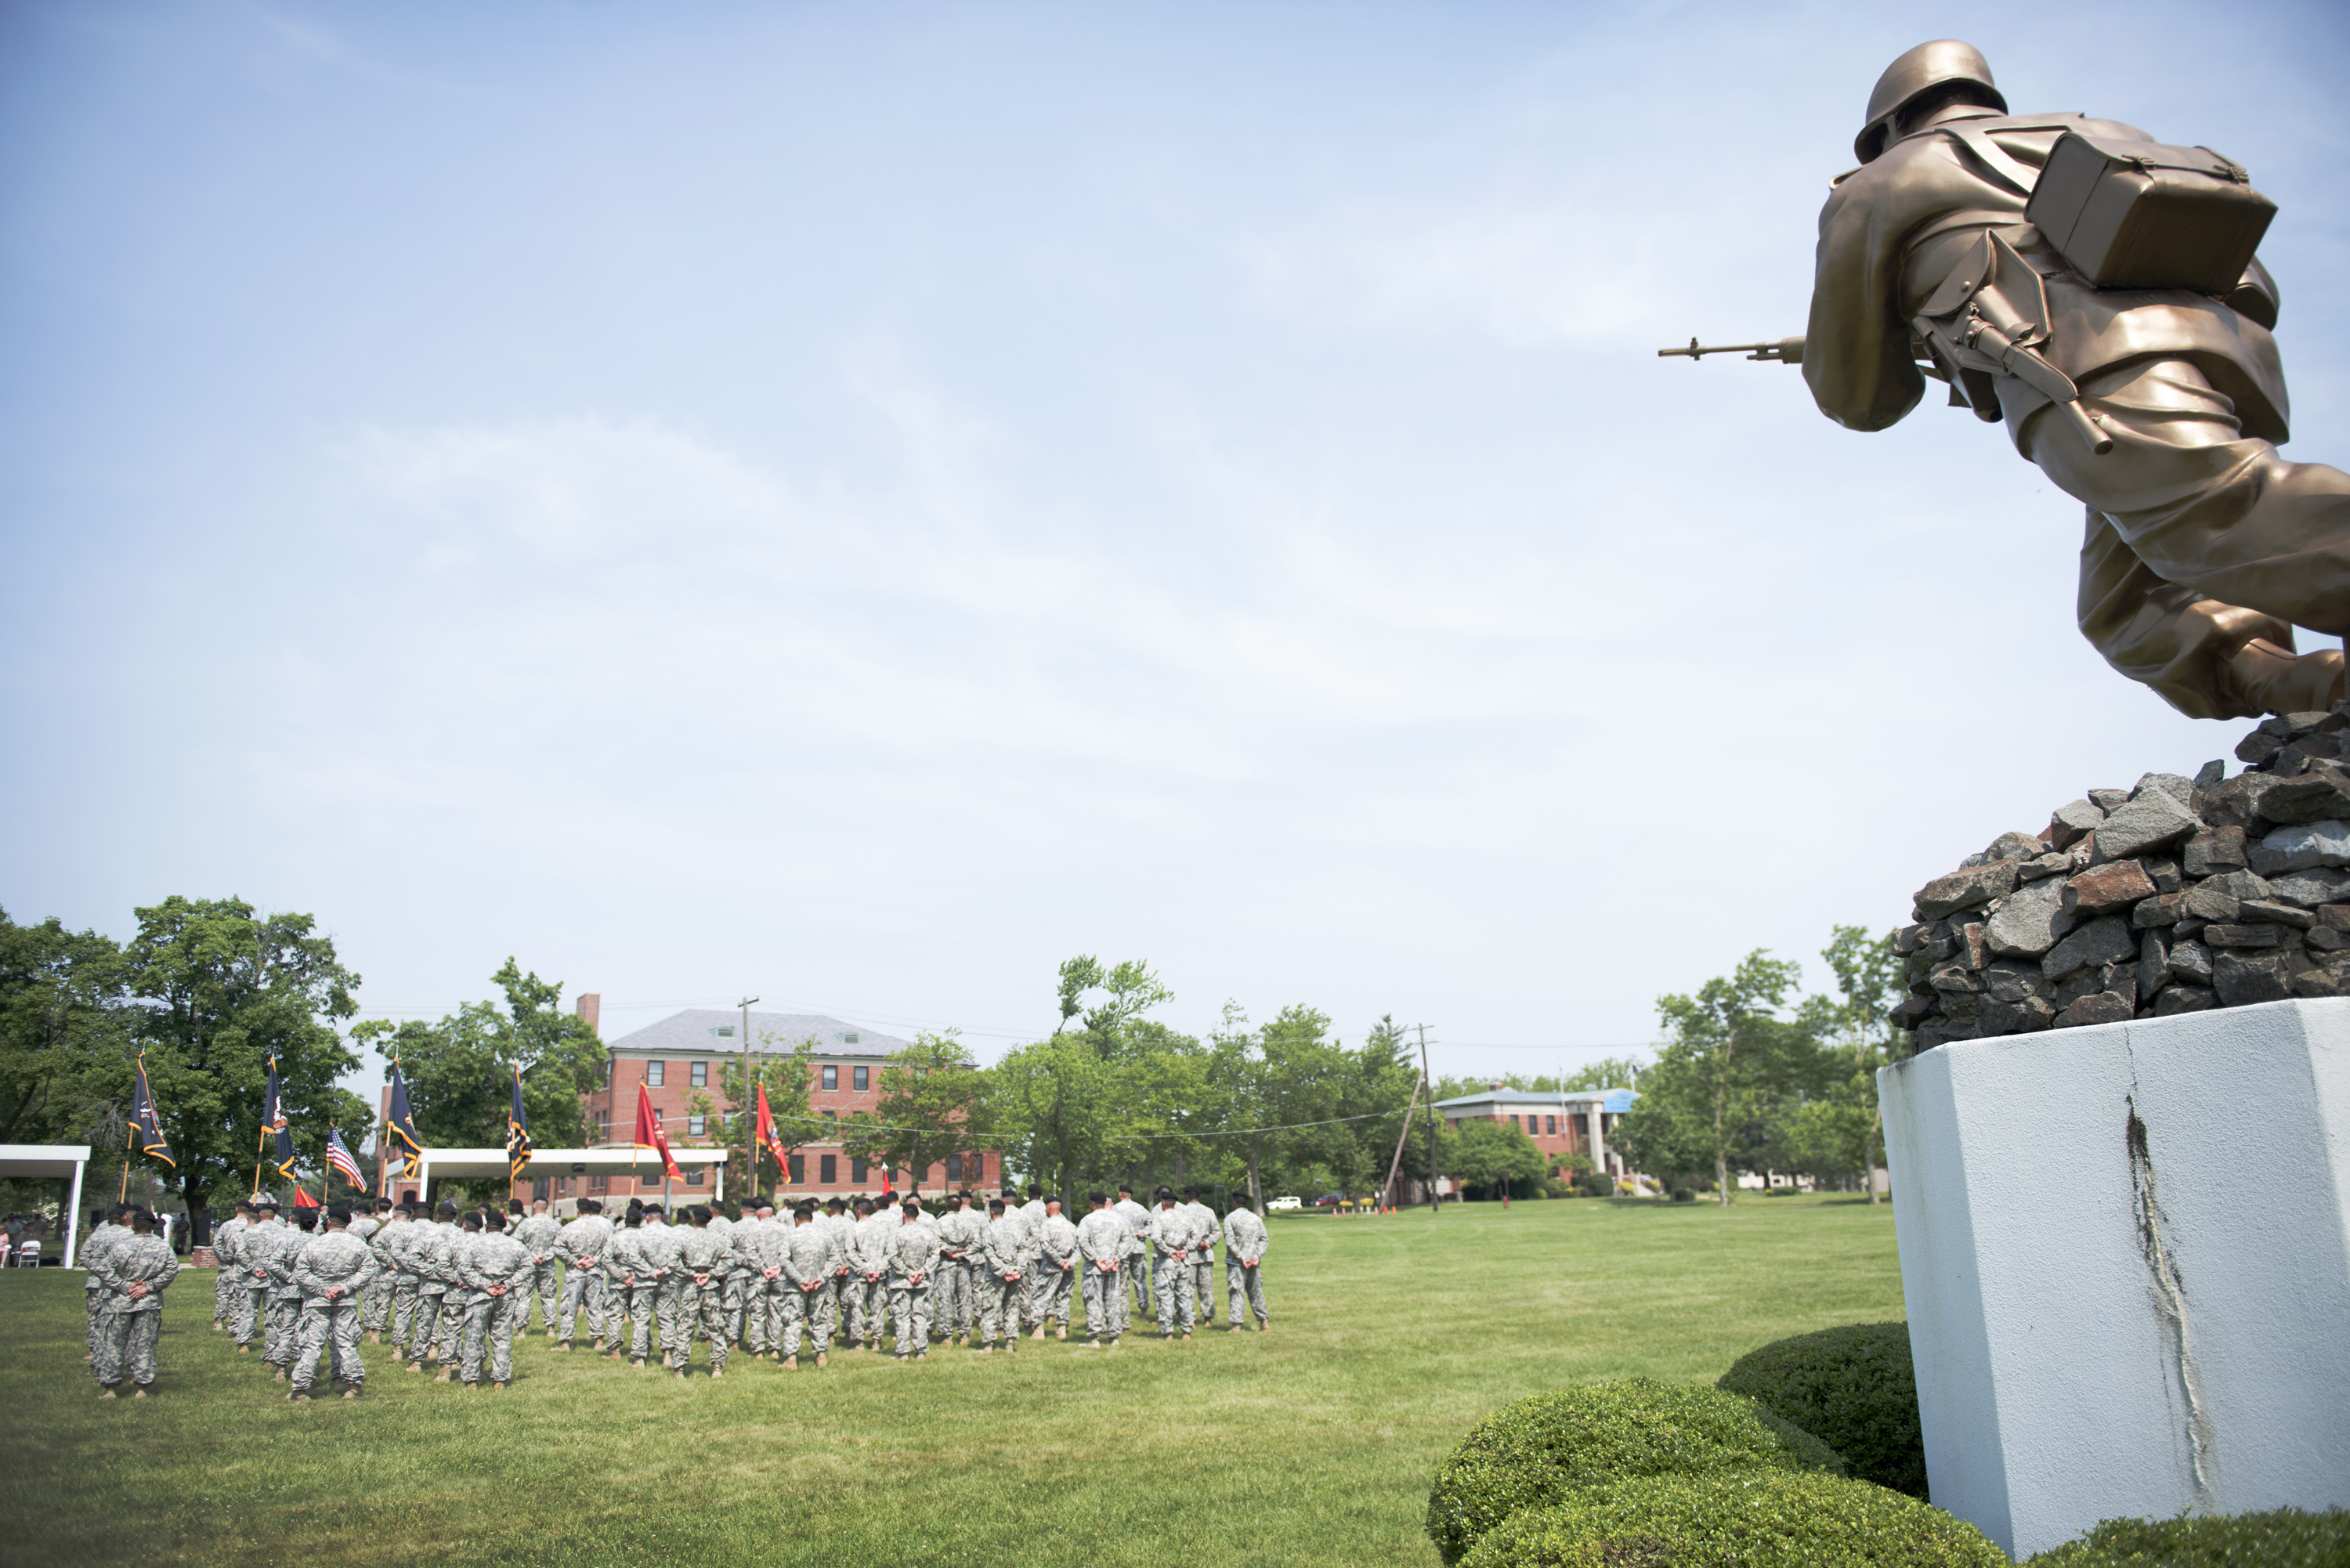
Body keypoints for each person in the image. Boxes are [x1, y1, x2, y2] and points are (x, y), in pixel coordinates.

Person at [1805, 39, 2348, 718]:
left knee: (2218, 518)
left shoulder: (1881, 183)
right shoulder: (2107, 136)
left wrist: (1902, 333)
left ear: (1888, 128)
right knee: (2131, 609)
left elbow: (1858, 397)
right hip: (2233, 350)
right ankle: (2320, 692)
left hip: (2086, 371)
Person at [288, 1205, 378, 1401]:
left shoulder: (314, 1244)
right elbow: (369, 1270)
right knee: (346, 1343)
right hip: (345, 1302)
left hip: (317, 1302)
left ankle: (301, 1390)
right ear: (349, 1223)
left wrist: (323, 1289)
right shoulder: (359, 1245)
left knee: (311, 1345)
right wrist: (345, 1288)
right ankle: (353, 1386)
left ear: (328, 1222)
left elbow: (300, 1273)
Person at [90, 1209, 178, 1398]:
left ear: (132, 1226)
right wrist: (149, 1286)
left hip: (120, 1303)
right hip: (148, 1303)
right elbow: (172, 1270)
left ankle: (110, 1388)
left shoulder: (121, 1246)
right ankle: (142, 1388)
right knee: (145, 1344)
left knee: (114, 1344)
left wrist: (124, 1286)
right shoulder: (163, 1247)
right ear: (153, 1226)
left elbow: (102, 1270)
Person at [674, 1206, 732, 1379]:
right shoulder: (719, 1239)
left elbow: (672, 1262)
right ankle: (717, 1368)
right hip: (711, 1287)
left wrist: (691, 1274)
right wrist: (711, 1274)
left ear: (693, 1219)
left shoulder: (684, 1238)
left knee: (685, 1327)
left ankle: (679, 1369)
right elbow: (729, 1260)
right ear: (709, 1220)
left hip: (690, 1287)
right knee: (715, 1328)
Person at [407, 1202, 461, 1378]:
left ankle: (417, 1361)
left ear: (437, 1216)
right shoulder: (462, 1235)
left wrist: (431, 1271)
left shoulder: (427, 1234)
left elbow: (413, 1259)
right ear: (455, 1217)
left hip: (430, 1284)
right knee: (452, 1325)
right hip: (454, 1286)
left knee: (424, 1323)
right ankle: (451, 1362)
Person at [777, 1201, 832, 1370]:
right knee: (819, 1319)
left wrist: (799, 1280)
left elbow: (784, 1260)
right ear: (812, 1218)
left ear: (796, 1220)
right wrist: (820, 1279)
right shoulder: (824, 1235)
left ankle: (791, 1359)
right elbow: (835, 1258)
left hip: (795, 1288)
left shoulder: (791, 1235)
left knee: (793, 1321)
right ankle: (821, 1356)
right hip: (818, 1286)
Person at [886, 1197, 942, 1361]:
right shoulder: (927, 1233)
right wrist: (923, 1271)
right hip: (921, 1282)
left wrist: (906, 1273)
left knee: (902, 1317)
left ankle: (903, 1352)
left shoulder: (897, 1233)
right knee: (919, 1315)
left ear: (904, 1215)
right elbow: (935, 1254)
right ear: (917, 1215)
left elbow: (892, 1255)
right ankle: (921, 1351)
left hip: (901, 1282)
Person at [554, 1198, 613, 1351]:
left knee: (569, 1306)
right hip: (595, 1272)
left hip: (575, 1273)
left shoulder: (569, 1228)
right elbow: (610, 1250)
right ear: (591, 1211)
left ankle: (565, 1342)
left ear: (577, 1210)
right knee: (595, 1306)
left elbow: (558, 1248)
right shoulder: (602, 1228)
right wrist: (595, 1260)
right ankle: (599, 1341)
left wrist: (574, 1261)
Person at [1075, 1192, 1129, 1349]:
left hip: (1094, 1269)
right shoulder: (1118, 1219)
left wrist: (1095, 1258)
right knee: (1113, 1301)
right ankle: (1114, 1337)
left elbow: (1083, 1241)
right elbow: (1128, 1239)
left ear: (1092, 1203)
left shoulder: (1087, 1220)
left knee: (1093, 1301)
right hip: (1113, 1267)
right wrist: (1118, 1257)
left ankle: (1095, 1338)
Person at [1148, 1187, 1200, 1341]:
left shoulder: (1160, 1218)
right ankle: (1186, 1331)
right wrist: (1185, 1250)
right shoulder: (1185, 1218)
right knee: (1184, 1296)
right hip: (1183, 1262)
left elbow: (1156, 1238)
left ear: (1163, 1203)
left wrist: (1170, 1252)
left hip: (1165, 1263)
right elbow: (1196, 1236)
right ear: (1174, 1204)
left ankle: (1167, 1332)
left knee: (1165, 1296)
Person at [933, 1190, 983, 1347]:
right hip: (963, 1265)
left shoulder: (939, 1222)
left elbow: (934, 1242)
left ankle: (946, 1336)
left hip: (946, 1266)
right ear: (960, 1206)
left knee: (945, 1300)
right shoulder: (969, 1223)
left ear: (947, 1206)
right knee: (964, 1300)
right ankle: (964, 1335)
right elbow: (978, 1243)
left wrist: (948, 1251)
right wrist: (964, 1253)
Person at [976, 1198, 1027, 1353]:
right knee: (1011, 1308)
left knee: (991, 1308)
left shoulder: (989, 1230)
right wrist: (1017, 1270)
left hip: (995, 1276)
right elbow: (1024, 1250)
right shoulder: (1015, 1229)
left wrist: (1004, 1271)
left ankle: (988, 1345)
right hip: (1014, 1276)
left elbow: (989, 1254)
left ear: (991, 1211)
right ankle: (1010, 1343)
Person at [81, 1206, 130, 1364]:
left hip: (97, 1282)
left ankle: (94, 1352)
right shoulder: (128, 1234)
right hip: (121, 1282)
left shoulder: (99, 1234)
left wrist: (99, 1271)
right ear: (123, 1218)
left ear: (108, 1220)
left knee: (95, 1318)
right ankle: (121, 1355)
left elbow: (83, 1255)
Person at [236, 1201, 284, 1356]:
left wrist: (253, 1269)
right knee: (272, 1315)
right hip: (273, 1280)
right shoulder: (282, 1232)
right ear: (275, 1215)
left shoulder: (249, 1231)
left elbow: (240, 1254)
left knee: (248, 1311)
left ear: (259, 1215)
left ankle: (244, 1343)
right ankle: (271, 1348)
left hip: (252, 1279)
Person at [511, 1198, 563, 1338]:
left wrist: (532, 1256)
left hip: (528, 1266)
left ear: (533, 1206)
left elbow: (517, 1244)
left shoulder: (525, 1223)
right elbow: (560, 1245)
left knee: (524, 1298)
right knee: (549, 1297)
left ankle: (521, 1330)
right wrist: (545, 1256)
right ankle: (551, 1329)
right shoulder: (555, 1225)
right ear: (547, 1207)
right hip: (548, 1266)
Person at [1032, 1197, 1079, 1340]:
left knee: (1041, 1297)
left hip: (1050, 1269)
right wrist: (1069, 1262)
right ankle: (1062, 1330)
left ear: (1050, 1208)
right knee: (1064, 1297)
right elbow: (1079, 1247)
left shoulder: (1047, 1225)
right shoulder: (1071, 1225)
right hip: (1067, 1269)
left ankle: (1038, 1331)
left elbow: (1046, 1246)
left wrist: (1059, 1262)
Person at [848, 1198, 890, 1352]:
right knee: (877, 1308)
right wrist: (878, 1270)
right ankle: (876, 1341)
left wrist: (865, 1270)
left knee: (858, 1308)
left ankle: (859, 1342)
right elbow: (889, 1253)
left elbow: (850, 1252)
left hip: (859, 1276)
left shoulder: (854, 1229)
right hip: (878, 1275)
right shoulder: (882, 1229)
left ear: (858, 1211)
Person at [1222, 1201, 1271, 1332]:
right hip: (1254, 1263)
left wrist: (1241, 1257)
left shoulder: (1230, 1218)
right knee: (1256, 1292)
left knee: (1236, 1291)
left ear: (1235, 1203)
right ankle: (1264, 1323)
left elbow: (1230, 1242)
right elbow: (1264, 1239)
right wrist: (1256, 1256)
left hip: (1236, 1263)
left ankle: (1236, 1326)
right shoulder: (1256, 1218)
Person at [210, 1201, 254, 1330]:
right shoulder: (251, 1225)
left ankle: (219, 1320)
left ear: (236, 1209)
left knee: (223, 1293)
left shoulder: (226, 1225)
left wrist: (226, 1260)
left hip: (227, 1267)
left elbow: (217, 1245)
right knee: (241, 1296)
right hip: (245, 1267)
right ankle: (240, 1324)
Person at [1112, 1186, 1153, 1320]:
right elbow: (1151, 1224)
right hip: (1139, 1248)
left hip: (1123, 1249)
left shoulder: (1116, 1209)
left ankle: (1122, 1310)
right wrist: (1141, 1233)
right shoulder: (1140, 1208)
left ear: (1120, 1195)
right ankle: (1144, 1308)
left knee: (1122, 1281)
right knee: (1139, 1280)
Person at [1180, 1187, 1219, 1317]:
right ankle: (1208, 1317)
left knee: (1188, 1288)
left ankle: (1188, 1317)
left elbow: (1179, 1234)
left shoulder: (1182, 1211)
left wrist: (1195, 1244)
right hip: (1205, 1255)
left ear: (1186, 1197)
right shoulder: (1208, 1211)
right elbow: (1217, 1232)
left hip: (1188, 1255)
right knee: (1206, 1288)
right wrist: (1207, 1243)